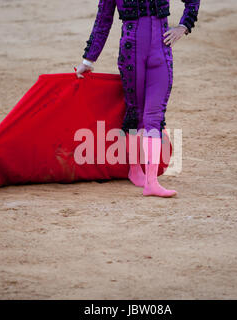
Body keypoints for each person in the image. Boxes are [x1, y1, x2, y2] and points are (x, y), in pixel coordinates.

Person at [75, 0, 200, 198]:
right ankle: (135, 170)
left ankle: (151, 182)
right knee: (136, 113)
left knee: (154, 115)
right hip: (132, 52)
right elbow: (103, 19)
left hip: (161, 50)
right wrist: (88, 60)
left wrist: (184, 26)